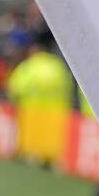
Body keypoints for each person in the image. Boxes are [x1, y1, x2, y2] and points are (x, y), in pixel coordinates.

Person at [7, 30, 74, 167]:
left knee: (35, 142)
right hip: (57, 112)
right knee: (54, 139)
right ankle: (54, 160)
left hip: (33, 111)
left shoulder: (29, 66)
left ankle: (35, 157)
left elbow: (15, 87)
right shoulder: (57, 65)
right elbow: (68, 87)